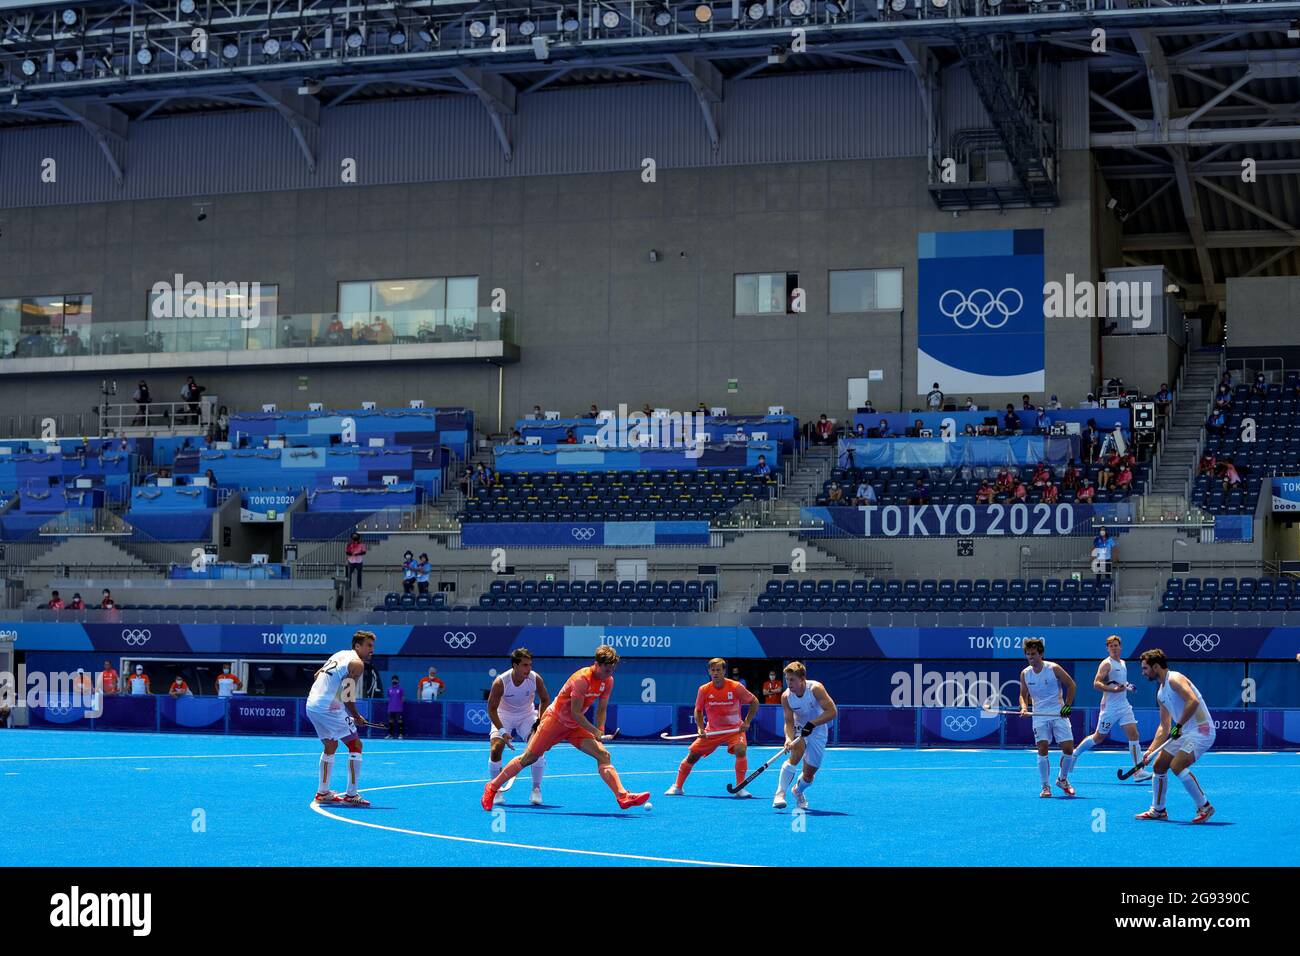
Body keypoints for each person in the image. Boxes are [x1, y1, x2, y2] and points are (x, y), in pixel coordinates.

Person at [480, 645, 651, 811]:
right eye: (607, 669)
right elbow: (576, 713)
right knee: (529, 758)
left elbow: (601, 709)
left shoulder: (608, 681)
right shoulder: (582, 679)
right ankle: (492, 787)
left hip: (575, 726)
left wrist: (600, 729)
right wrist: (594, 730)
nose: (609, 673)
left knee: (604, 754)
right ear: (596, 664)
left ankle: (622, 796)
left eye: (612, 669)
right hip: (555, 721)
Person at [1134, 649, 1216, 823]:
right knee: (1159, 765)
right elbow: (1164, 727)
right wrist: (1150, 750)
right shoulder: (1161, 693)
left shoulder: (1175, 678)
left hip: (1202, 731)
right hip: (1184, 733)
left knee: (1177, 765)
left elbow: (1192, 701)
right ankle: (1158, 810)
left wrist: (1178, 725)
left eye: (1145, 668)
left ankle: (1205, 806)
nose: (1143, 673)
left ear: (1156, 667)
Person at [307, 630, 383, 807]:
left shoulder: (340, 654)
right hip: (328, 707)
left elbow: (317, 675)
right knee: (355, 745)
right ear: (357, 646)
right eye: (368, 646)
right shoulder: (357, 663)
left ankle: (323, 792)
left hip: (312, 704)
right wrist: (356, 716)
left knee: (331, 745)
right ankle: (351, 795)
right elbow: (348, 697)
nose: (372, 650)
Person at [666, 658, 758, 798]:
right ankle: (678, 787)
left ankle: (740, 789)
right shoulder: (704, 689)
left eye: (718, 670)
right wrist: (700, 729)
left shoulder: (735, 686)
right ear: (709, 671)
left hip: (734, 730)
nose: (715, 673)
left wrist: (747, 722)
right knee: (692, 756)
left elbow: (754, 702)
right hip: (713, 731)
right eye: (713, 670)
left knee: (741, 750)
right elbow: (698, 711)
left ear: (724, 671)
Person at [1070, 635, 1151, 782]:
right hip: (1110, 707)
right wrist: (1113, 690)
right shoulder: (1106, 664)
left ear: (1120, 647)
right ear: (1107, 648)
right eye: (1111, 646)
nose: (1114, 648)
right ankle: (1075, 754)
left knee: (1134, 735)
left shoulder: (1123, 663)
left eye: (1116, 645)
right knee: (1098, 738)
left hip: (1124, 705)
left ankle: (1138, 771)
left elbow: (1120, 682)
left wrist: (1128, 686)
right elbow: (1096, 683)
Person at [486, 648, 552, 806]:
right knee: (496, 750)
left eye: (530, 665)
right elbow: (491, 709)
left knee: (538, 747)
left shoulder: (535, 678)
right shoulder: (501, 682)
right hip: (504, 715)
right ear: (514, 665)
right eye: (524, 665)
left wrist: (540, 721)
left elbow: (544, 699)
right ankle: (496, 791)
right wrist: (502, 731)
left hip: (527, 715)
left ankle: (536, 789)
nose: (528, 669)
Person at [773, 661, 837, 811]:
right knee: (796, 754)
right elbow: (788, 721)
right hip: (799, 727)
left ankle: (798, 790)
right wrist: (788, 738)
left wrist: (813, 724)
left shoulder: (816, 689)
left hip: (818, 728)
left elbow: (832, 712)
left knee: (809, 775)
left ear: (802, 679)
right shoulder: (786, 697)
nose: (789, 683)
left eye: (792, 679)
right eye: (787, 679)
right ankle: (779, 795)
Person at [1018, 638, 1077, 798]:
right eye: (1028, 654)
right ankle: (1045, 787)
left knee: (1068, 749)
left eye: (1034, 654)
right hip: (1039, 716)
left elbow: (1071, 685)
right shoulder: (1025, 674)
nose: (1031, 657)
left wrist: (1067, 706)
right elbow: (1023, 695)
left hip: (1058, 712)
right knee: (1042, 747)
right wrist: (1024, 707)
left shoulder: (1054, 668)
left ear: (1041, 654)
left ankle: (1063, 780)